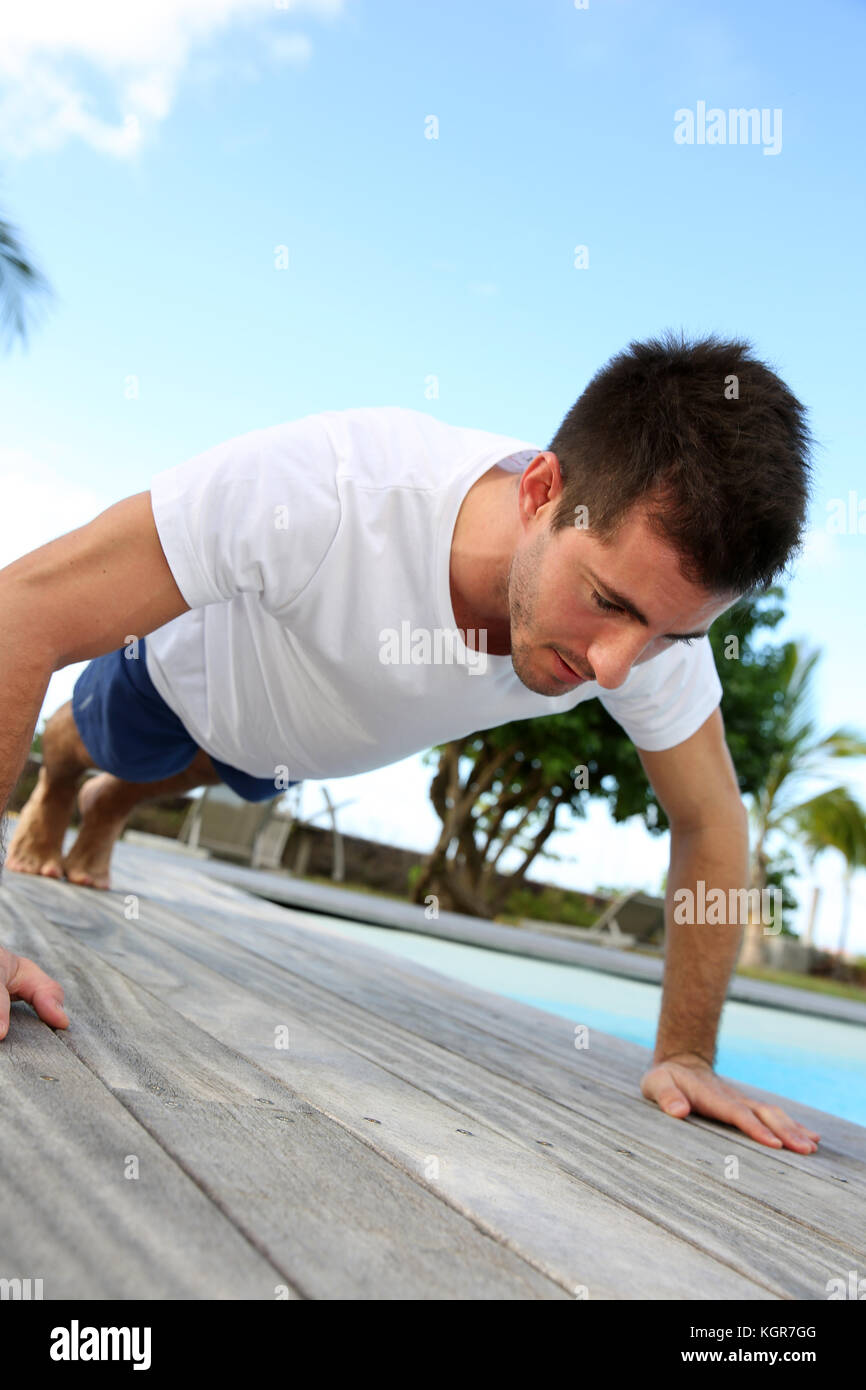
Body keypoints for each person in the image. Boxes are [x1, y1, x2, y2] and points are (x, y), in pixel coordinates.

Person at [0, 330, 821, 1153]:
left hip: (292, 747)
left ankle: (109, 806)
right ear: (541, 489)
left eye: (669, 637)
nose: (616, 669)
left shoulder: (649, 619)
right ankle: (68, 786)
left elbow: (712, 819)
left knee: (217, 771)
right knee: (99, 743)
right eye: (606, 601)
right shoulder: (331, 485)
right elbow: (20, 613)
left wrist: (686, 1052)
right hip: (178, 682)